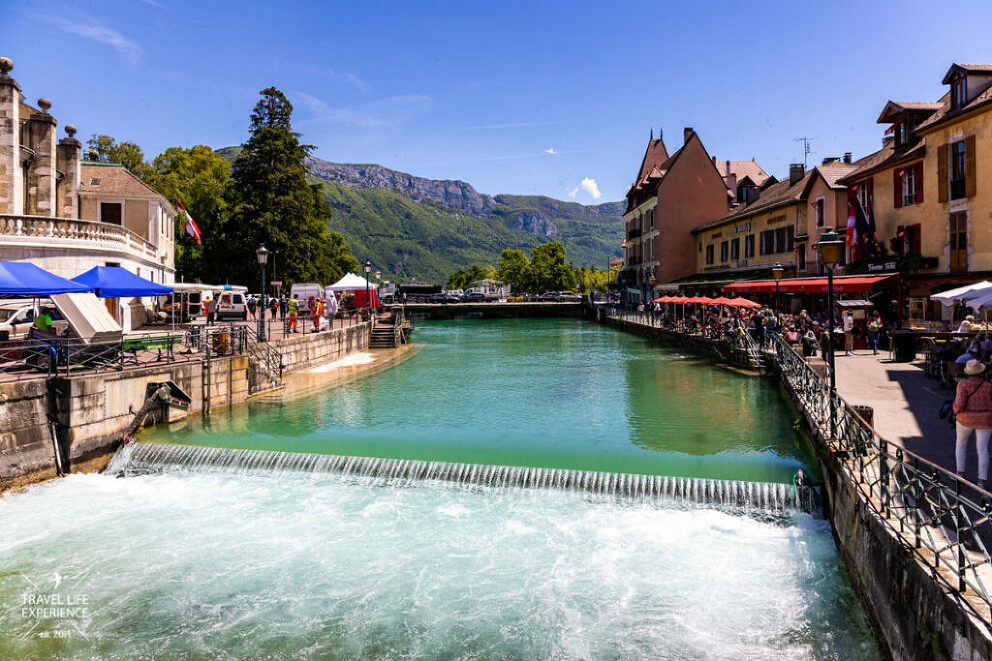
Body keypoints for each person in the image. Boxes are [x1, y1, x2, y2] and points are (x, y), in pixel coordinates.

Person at [954, 359, 992, 488]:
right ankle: (981, 482)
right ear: (981, 372)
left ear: (968, 372)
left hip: (965, 419)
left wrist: (955, 411)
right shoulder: (988, 386)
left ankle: (960, 474)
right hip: (985, 420)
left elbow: (960, 405)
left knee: (961, 444)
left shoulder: (963, 385)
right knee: (983, 449)